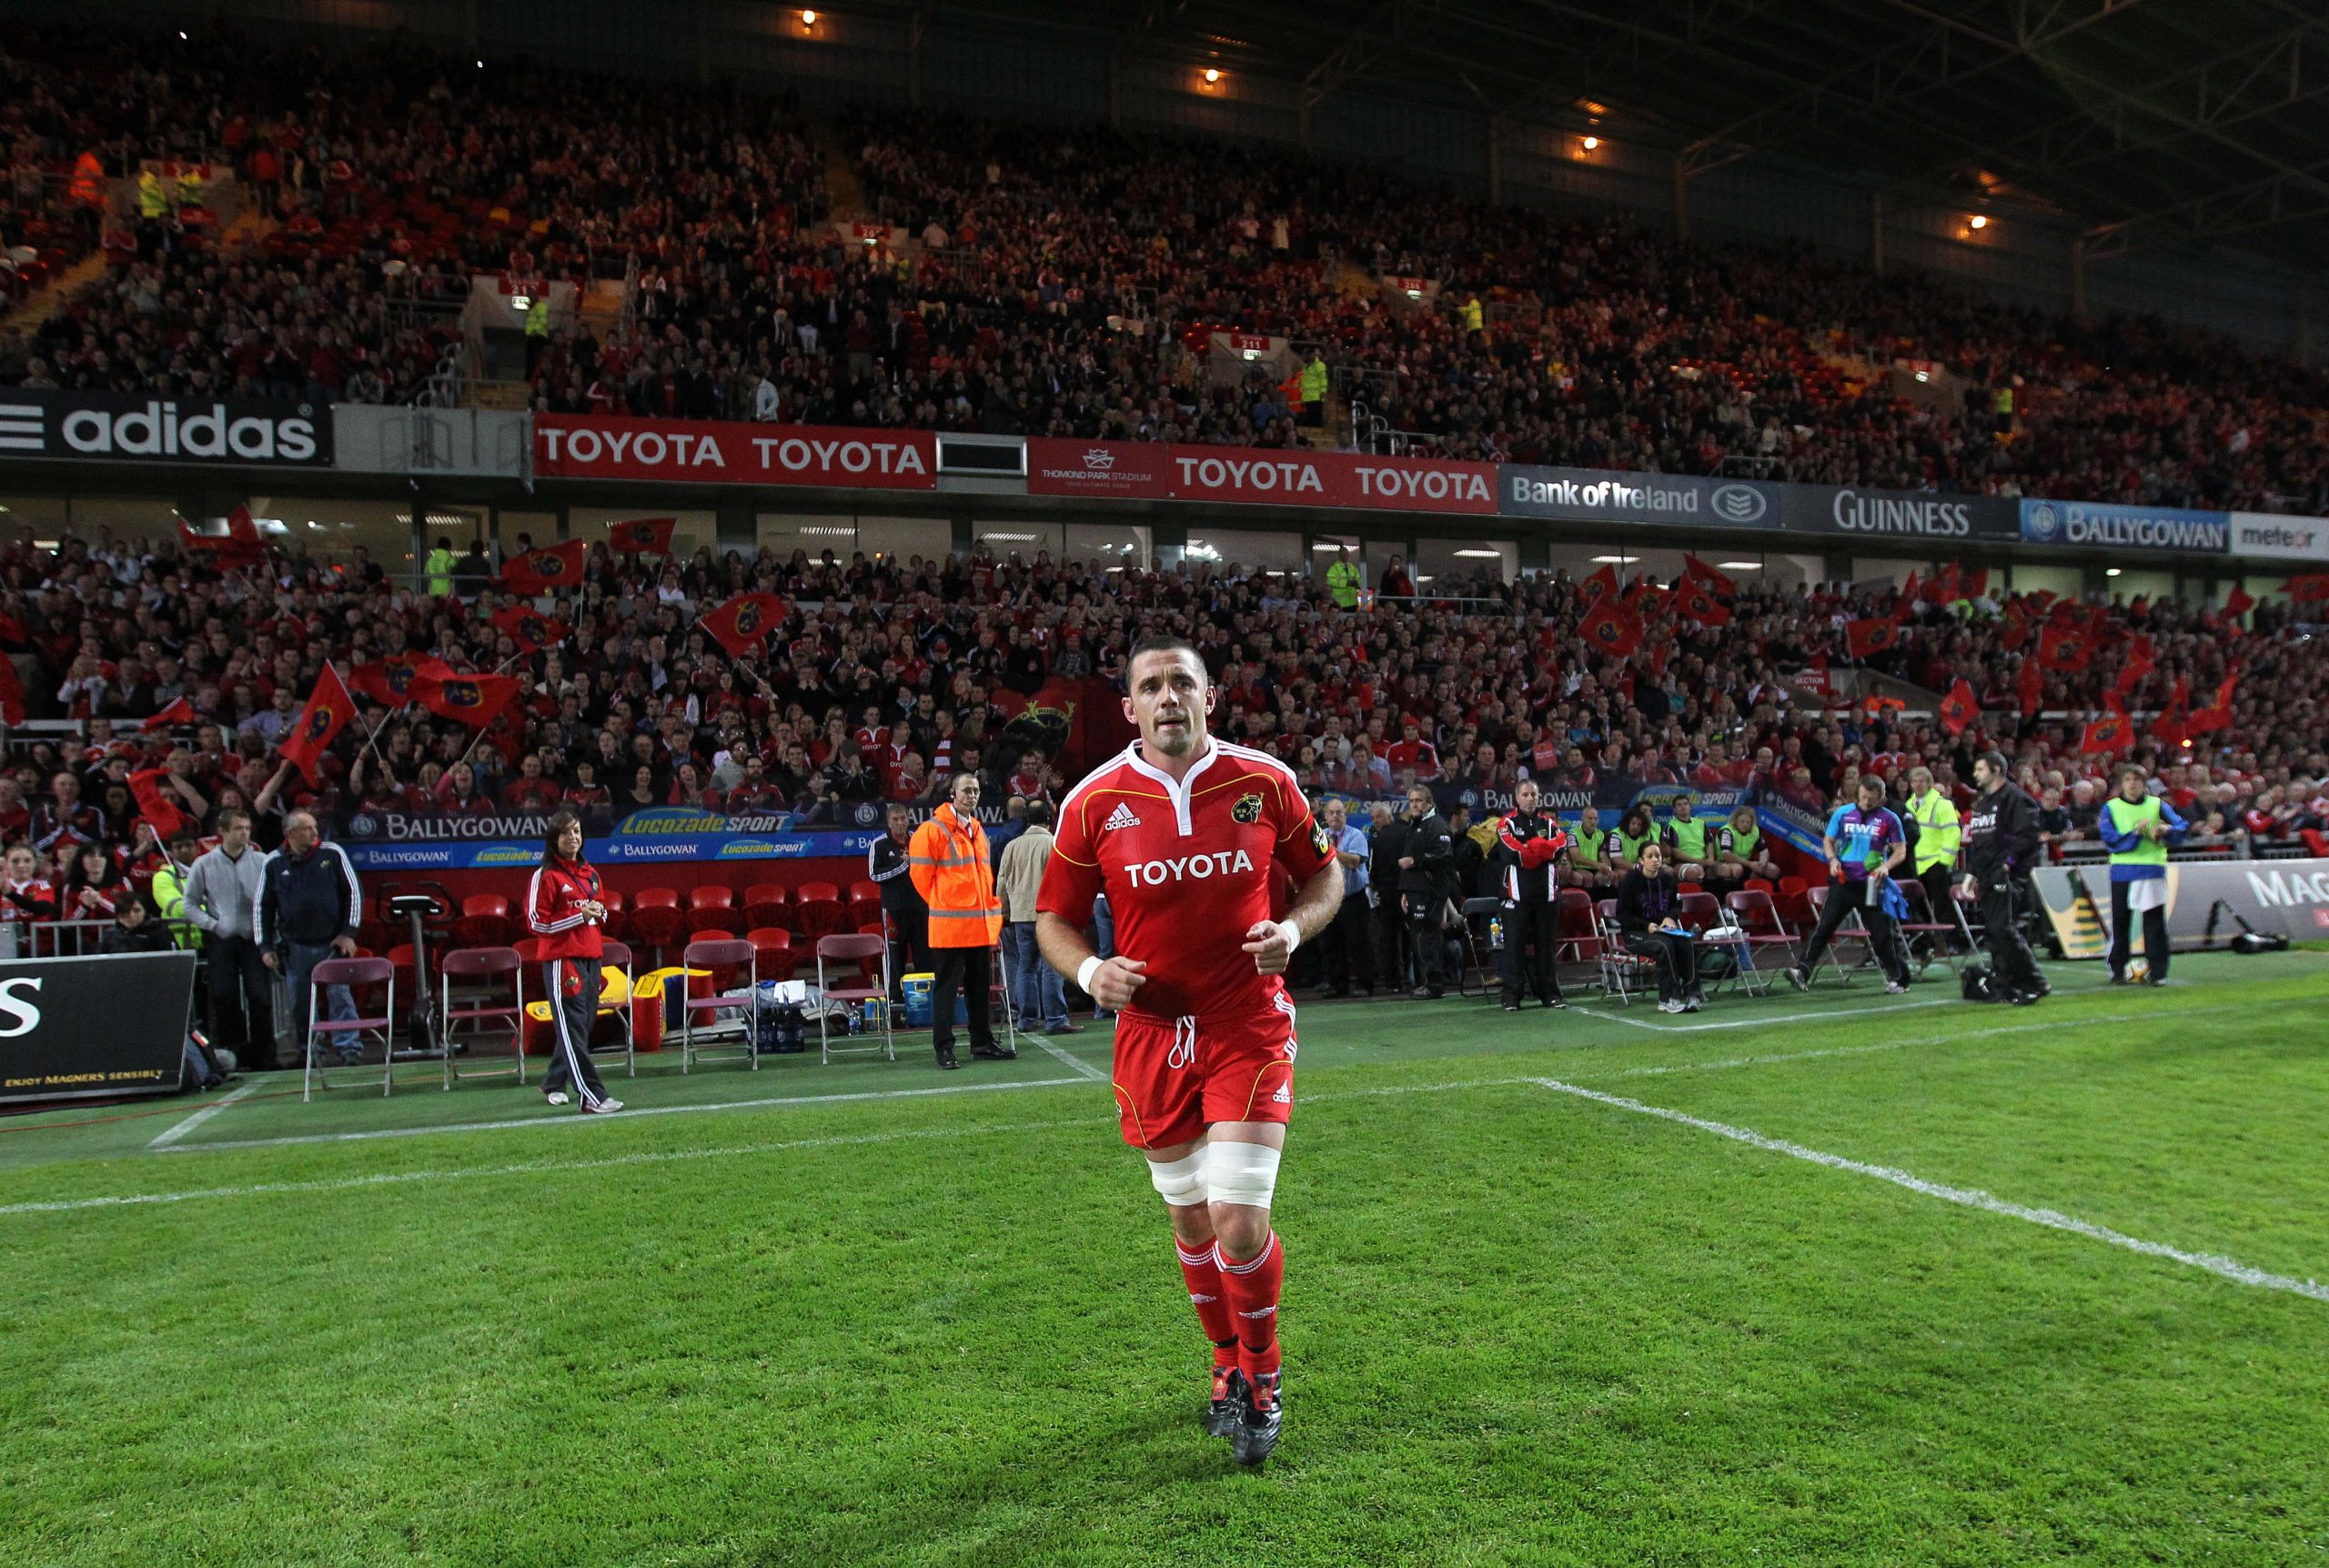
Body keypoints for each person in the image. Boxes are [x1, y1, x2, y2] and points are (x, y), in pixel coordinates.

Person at [1034, 633, 1342, 1467]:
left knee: (1240, 1222)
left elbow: (1325, 877)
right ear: (1129, 707)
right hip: (1151, 1038)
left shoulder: (1264, 782)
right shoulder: (1094, 803)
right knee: (1193, 1222)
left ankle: (1265, 1379)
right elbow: (1053, 920)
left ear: (1211, 697)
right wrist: (1091, 969)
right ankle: (1224, 1361)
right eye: (1151, 686)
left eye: (1183, 683)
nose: (1168, 697)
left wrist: (1292, 928)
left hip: (1248, 1023)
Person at [910, 771, 1011, 1069]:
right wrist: (944, 902)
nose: (972, 795)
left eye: (976, 791)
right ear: (952, 794)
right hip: (951, 926)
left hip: (978, 925)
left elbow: (983, 877)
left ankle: (981, 1042)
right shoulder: (933, 830)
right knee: (946, 990)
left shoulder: (977, 829)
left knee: (980, 989)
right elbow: (920, 878)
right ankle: (944, 1048)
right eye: (966, 790)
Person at [526, 810, 623, 1112]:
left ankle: (554, 1081)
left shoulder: (591, 873)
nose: (573, 838)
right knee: (572, 1027)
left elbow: (600, 913)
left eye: (577, 832)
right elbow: (536, 923)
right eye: (567, 833)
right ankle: (592, 1096)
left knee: (580, 1027)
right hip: (562, 959)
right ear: (554, 839)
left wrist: (599, 912)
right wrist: (577, 916)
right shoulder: (546, 875)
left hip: (592, 956)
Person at [1786, 776, 1912, 993]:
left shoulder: (1890, 818)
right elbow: (1828, 840)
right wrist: (1833, 859)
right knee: (1824, 927)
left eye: (1871, 799)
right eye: (1863, 797)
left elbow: (1901, 850)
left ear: (1881, 798)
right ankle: (1802, 970)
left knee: (1881, 934)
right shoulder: (1842, 813)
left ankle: (1899, 977)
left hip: (1873, 882)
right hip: (1843, 880)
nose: (1866, 802)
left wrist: (1886, 866)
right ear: (1858, 793)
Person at [257, 810, 364, 1067]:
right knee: (300, 1003)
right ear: (290, 833)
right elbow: (262, 906)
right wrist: (265, 945)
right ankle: (311, 1051)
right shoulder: (273, 862)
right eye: (308, 828)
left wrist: (348, 933)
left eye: (315, 827)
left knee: (340, 996)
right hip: (295, 946)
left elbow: (354, 894)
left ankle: (349, 1048)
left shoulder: (332, 853)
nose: (315, 833)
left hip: (332, 943)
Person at [184, 809, 274, 1064]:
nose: (244, 833)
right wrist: (212, 925)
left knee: (260, 996)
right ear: (222, 832)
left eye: (247, 828)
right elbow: (189, 903)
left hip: (254, 937)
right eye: (238, 828)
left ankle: (264, 1056)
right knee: (225, 995)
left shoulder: (261, 860)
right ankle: (235, 1054)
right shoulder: (204, 863)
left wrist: (265, 926)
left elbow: (271, 897)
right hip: (222, 939)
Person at [1961, 750, 2048, 1005]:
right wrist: (1972, 875)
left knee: (2003, 928)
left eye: (1980, 769)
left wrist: (2009, 864)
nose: (1975, 774)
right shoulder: (1984, 804)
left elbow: (2028, 835)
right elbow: (1983, 846)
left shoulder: (2016, 798)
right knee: (1994, 932)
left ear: (1996, 770)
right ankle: (2006, 984)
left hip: (2008, 875)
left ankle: (2035, 980)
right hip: (1988, 874)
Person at [2101, 762, 2187, 985]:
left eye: (2136, 780)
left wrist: (2166, 830)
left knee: (2154, 923)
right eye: (2128, 780)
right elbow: (2111, 840)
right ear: (2121, 784)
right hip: (2123, 871)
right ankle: (2117, 969)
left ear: (2144, 784)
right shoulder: (2111, 808)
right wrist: (2136, 833)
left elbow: (2180, 827)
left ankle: (2158, 972)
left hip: (2151, 869)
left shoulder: (2157, 805)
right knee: (2121, 922)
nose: (2132, 784)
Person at [996, 800, 1075, 1032]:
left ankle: (1026, 1019)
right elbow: (1064, 882)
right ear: (1049, 819)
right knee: (1052, 967)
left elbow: (1002, 881)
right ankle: (1056, 1019)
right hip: (1047, 915)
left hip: (1021, 915)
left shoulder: (1012, 846)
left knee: (1025, 967)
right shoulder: (1052, 844)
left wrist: (1005, 911)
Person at [1491, 779, 1569, 1010]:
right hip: (1516, 897)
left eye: (1533, 795)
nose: (1529, 799)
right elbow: (1512, 853)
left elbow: (1559, 847)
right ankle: (1511, 997)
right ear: (1517, 797)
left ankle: (1550, 995)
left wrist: (1532, 847)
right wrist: (1540, 850)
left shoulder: (1550, 823)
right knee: (1513, 948)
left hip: (1547, 897)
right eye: (1525, 794)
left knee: (1546, 948)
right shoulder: (1506, 823)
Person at [1617, 841, 1699, 1012]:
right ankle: (1668, 998)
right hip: (1635, 934)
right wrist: (1646, 926)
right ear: (1641, 860)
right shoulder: (1631, 881)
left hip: (1663, 930)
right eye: (1650, 856)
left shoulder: (1668, 879)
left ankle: (1692, 993)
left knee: (1685, 943)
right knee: (1664, 946)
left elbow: (1677, 904)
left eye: (1658, 856)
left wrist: (1670, 917)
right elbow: (1622, 915)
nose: (1655, 860)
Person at [1396, 783, 1453, 1000]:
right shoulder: (1416, 825)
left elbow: (1444, 855)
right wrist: (1406, 890)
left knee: (1427, 937)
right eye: (1411, 801)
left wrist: (1416, 861)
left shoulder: (1437, 825)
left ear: (1429, 803)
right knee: (1419, 937)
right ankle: (1424, 983)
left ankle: (1433, 984)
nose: (1414, 805)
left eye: (1418, 800)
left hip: (1430, 891)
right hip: (1416, 890)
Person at [867, 803, 927, 1000]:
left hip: (920, 908)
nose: (900, 823)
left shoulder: (918, 840)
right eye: (896, 819)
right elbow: (875, 875)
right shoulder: (879, 844)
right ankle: (895, 1002)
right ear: (888, 821)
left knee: (925, 957)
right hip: (894, 910)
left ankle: (926, 1001)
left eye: (903, 818)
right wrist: (903, 865)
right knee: (895, 958)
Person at [1314, 797, 1373, 997]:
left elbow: (1355, 861)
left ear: (1345, 816)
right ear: (1326, 816)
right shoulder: (1320, 835)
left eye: (1339, 812)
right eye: (1331, 812)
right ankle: (1338, 985)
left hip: (1353, 898)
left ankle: (1365, 984)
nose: (1335, 816)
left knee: (1358, 943)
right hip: (1329, 899)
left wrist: (1331, 851)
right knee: (1331, 943)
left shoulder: (1356, 835)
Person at [1903, 766, 1963, 949]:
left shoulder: (1942, 804)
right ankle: (1926, 942)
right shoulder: (1908, 805)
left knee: (1944, 905)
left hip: (1937, 861)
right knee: (1920, 906)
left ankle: (1953, 942)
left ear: (1929, 782)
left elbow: (1953, 833)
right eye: (1915, 781)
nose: (1918, 784)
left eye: (1922, 780)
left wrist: (1945, 861)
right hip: (1917, 863)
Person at [1367, 799, 1408, 991]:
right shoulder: (1407, 832)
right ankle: (1415, 978)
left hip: (1388, 893)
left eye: (1378, 817)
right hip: (1408, 891)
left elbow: (1372, 870)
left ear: (1389, 817)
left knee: (1390, 939)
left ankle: (1394, 982)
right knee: (1412, 936)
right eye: (1373, 818)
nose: (1375, 821)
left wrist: (1378, 885)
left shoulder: (1377, 839)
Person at [1712, 804, 1779, 889]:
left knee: (1774, 870)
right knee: (1737, 869)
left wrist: (1762, 865)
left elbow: (1764, 851)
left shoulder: (1755, 830)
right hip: (1725, 862)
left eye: (1748, 822)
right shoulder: (1727, 831)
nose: (1745, 825)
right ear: (1735, 820)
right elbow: (1727, 856)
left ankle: (1763, 895)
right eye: (1742, 821)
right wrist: (1750, 864)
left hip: (1747, 862)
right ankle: (1730, 897)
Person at [1660, 795, 1711, 883]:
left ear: (1690, 807)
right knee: (1694, 872)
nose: (1683, 806)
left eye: (1685, 804)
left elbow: (1709, 843)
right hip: (1683, 862)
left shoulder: (1701, 823)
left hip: (1704, 860)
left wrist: (1711, 859)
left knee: (1730, 870)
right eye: (1679, 805)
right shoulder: (1671, 826)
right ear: (1675, 810)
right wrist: (1697, 861)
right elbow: (1675, 852)